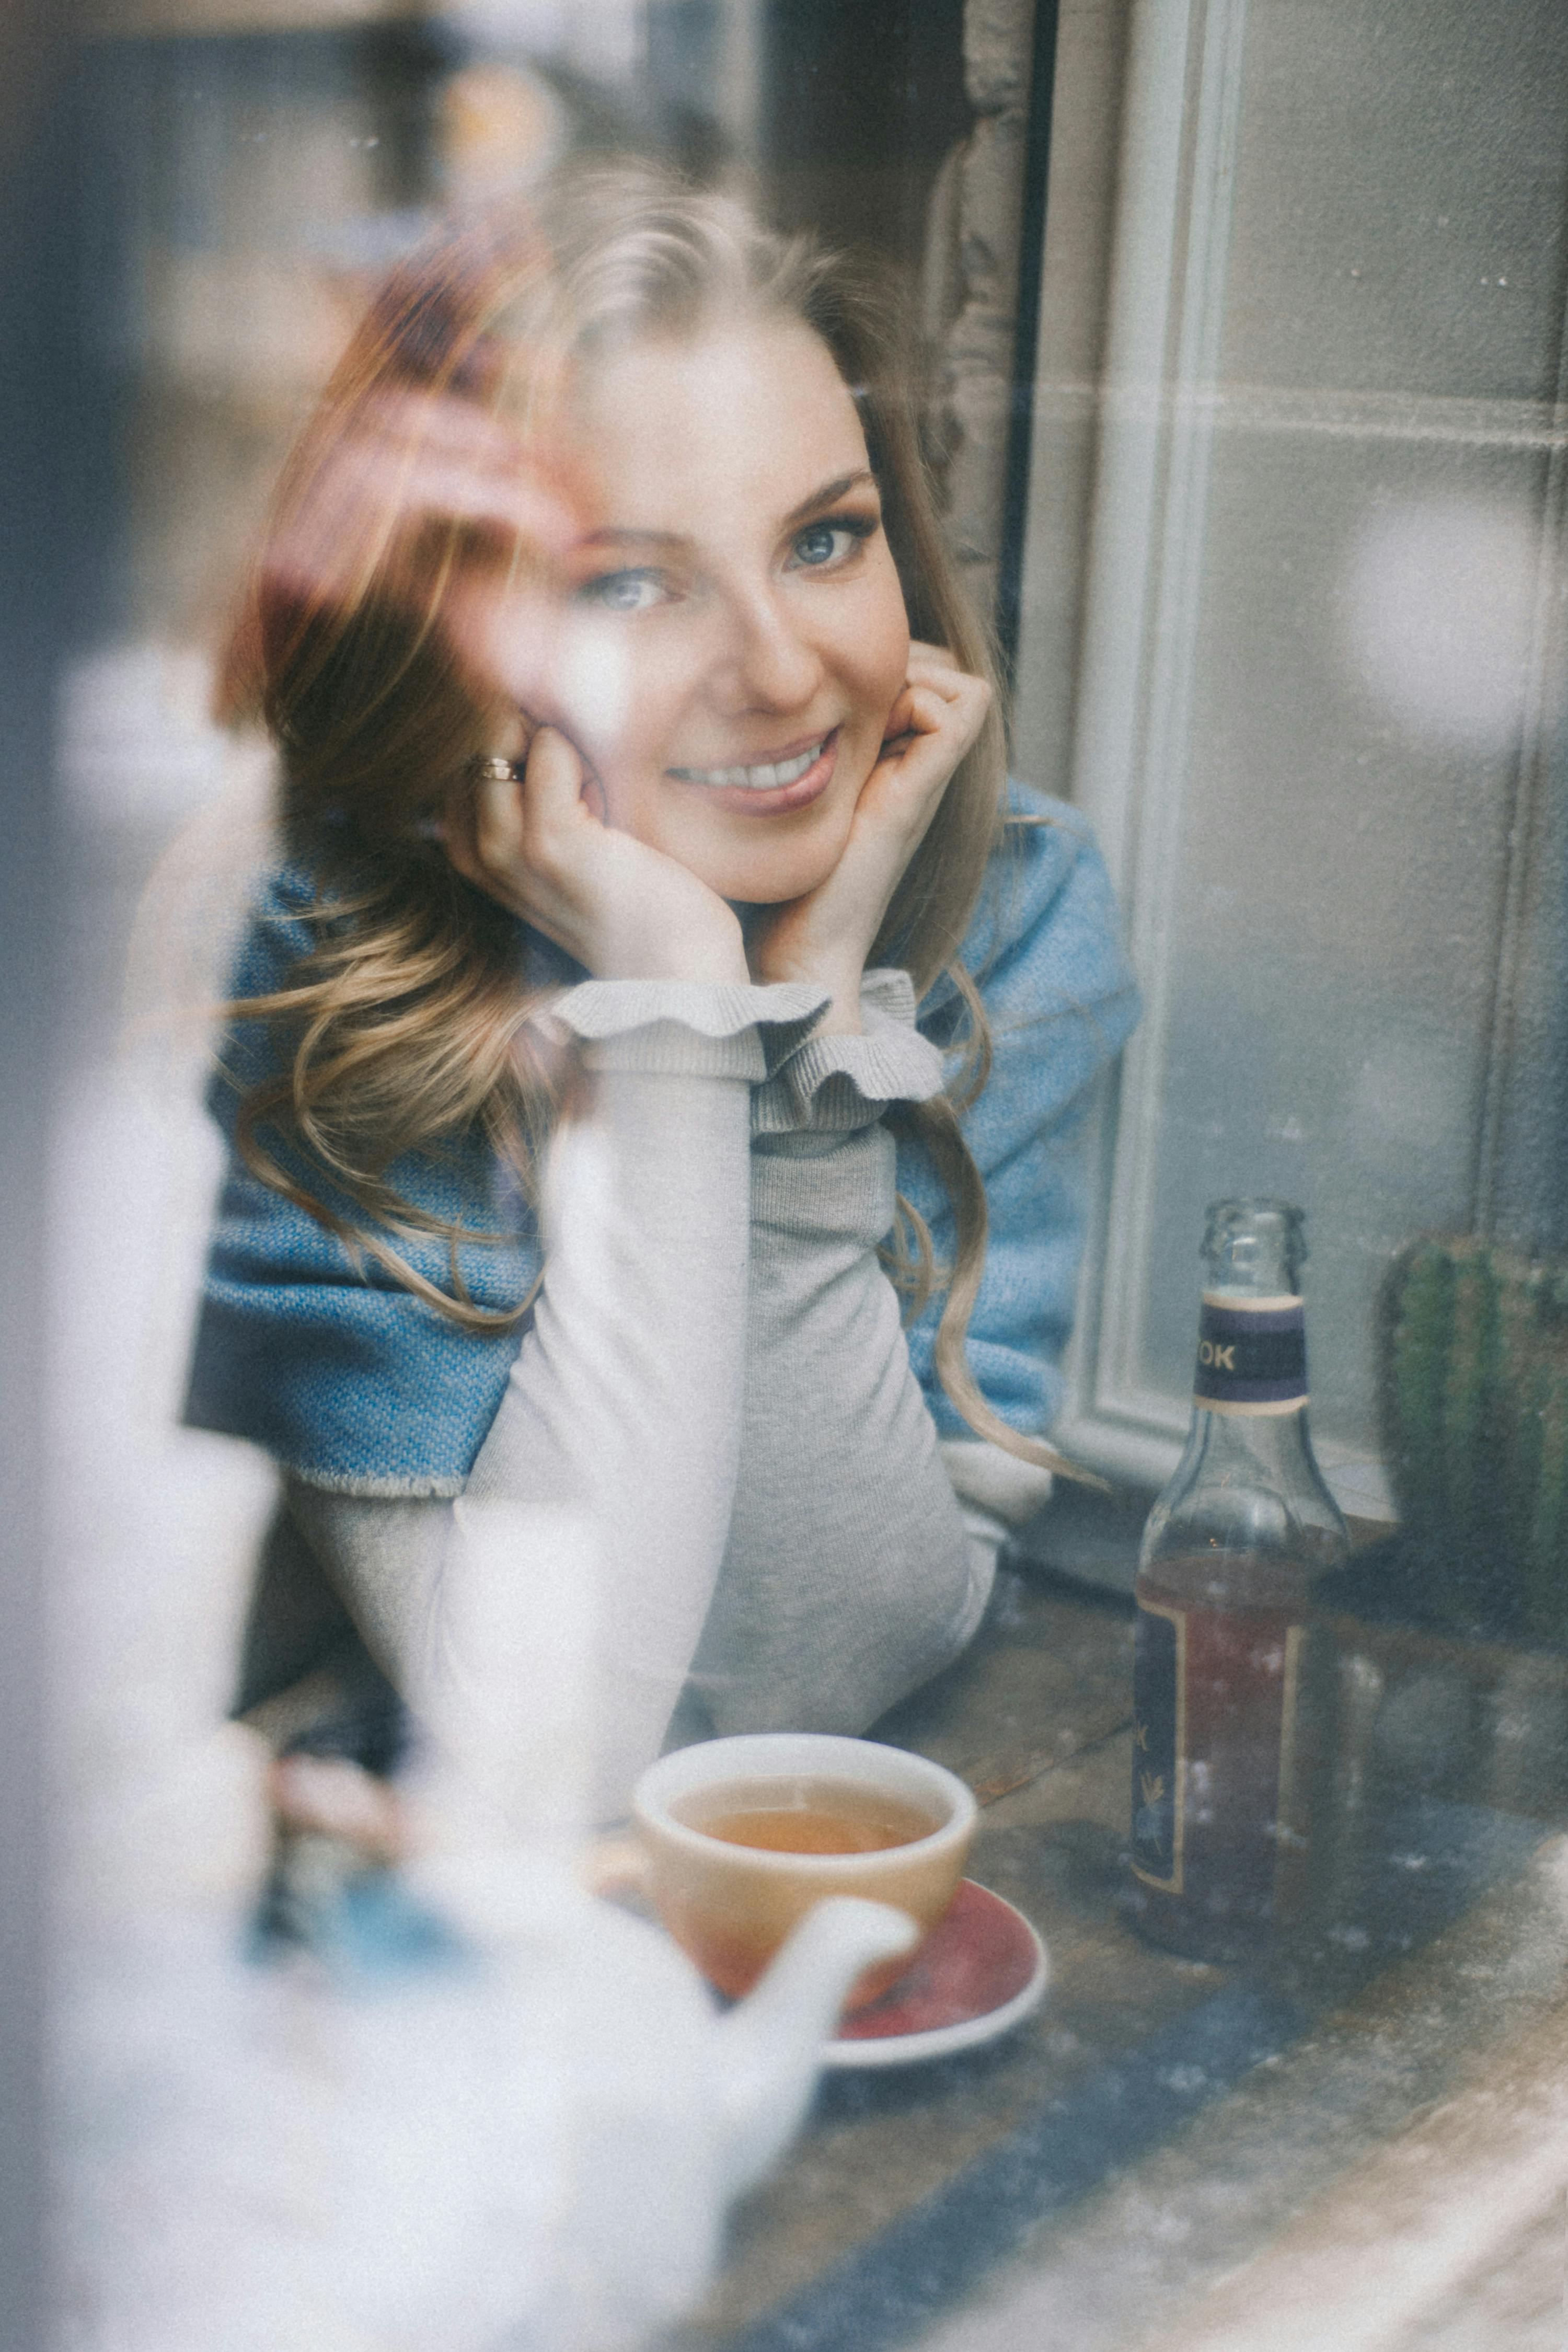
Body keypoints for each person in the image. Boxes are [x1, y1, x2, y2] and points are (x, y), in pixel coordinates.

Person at [182, 162, 1139, 1887]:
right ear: (452, 637)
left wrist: (792, 1041)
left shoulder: (1012, 908)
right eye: (631, 583)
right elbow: (553, 1748)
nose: (784, 672)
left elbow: (832, 1665)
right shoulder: (327, 959)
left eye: (825, 540)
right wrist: (685, 1014)